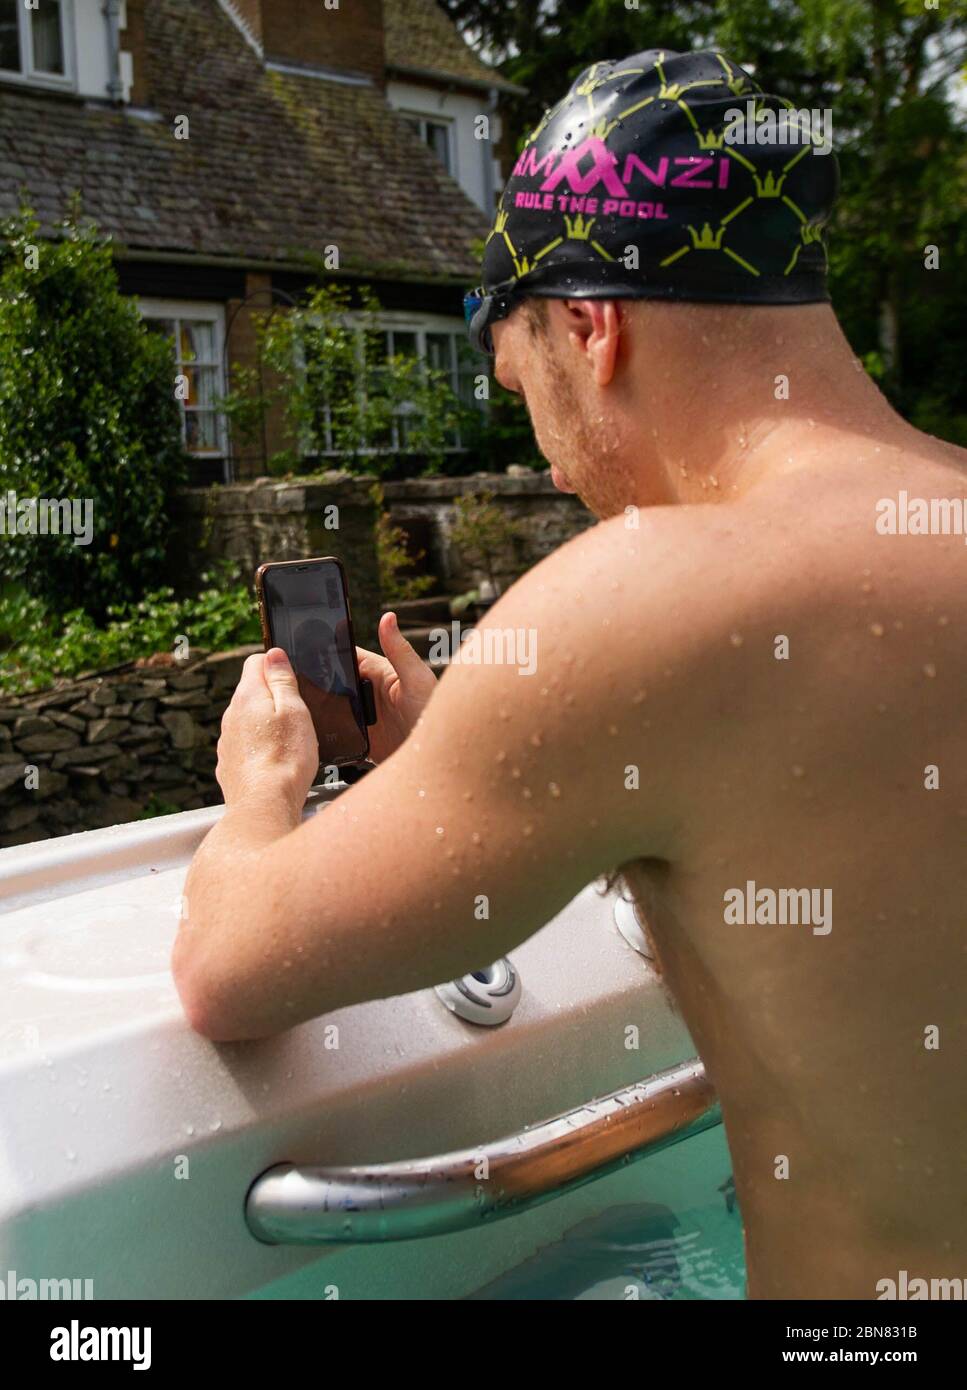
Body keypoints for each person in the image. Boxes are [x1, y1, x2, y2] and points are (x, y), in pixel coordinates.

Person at [172, 49, 967, 1299]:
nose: (548, 466)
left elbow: (228, 966)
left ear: (592, 327)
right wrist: (488, 755)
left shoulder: (656, 592)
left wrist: (260, 794)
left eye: (523, 386)